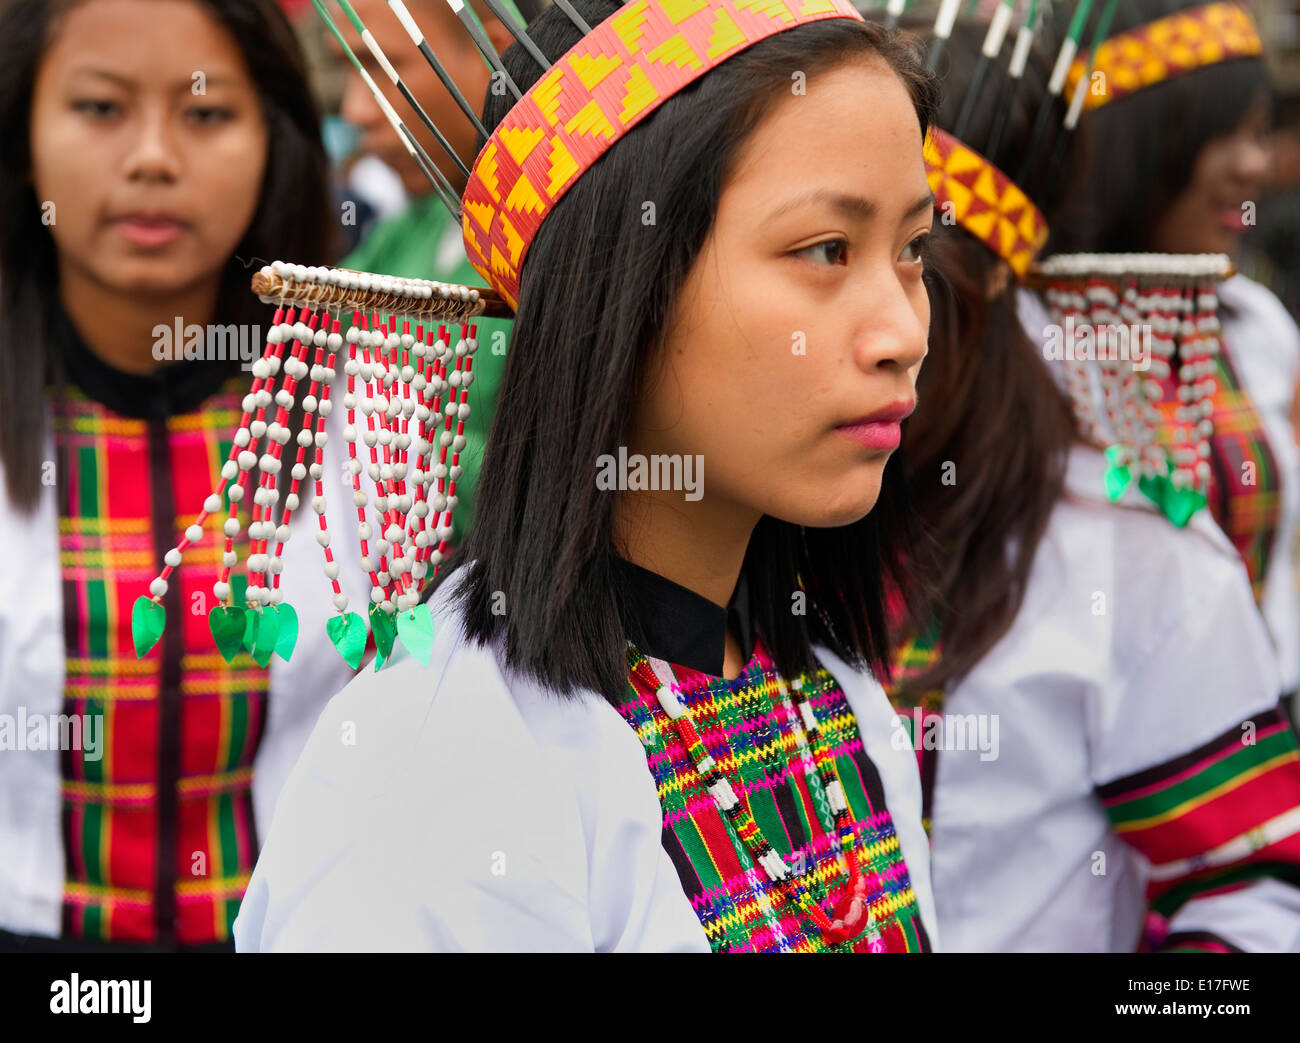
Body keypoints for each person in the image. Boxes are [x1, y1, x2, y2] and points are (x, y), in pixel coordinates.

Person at [235, 0, 940, 952]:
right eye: (825, 250)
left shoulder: (832, 690)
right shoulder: (443, 773)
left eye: (913, 251)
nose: (902, 330)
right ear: (622, 280)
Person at [887, 15, 1300, 952]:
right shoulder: (736, 534)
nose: (874, 328)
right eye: (822, 256)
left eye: (915, 261)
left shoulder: (1131, 558)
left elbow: (1257, 902)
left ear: (993, 288)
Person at [0, 0, 357, 950]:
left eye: (205, 114)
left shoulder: (379, 409)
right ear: (23, 129)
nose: (153, 157)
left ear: (276, 139)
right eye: (101, 108)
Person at [1050, 0, 1300, 698]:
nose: (1256, 164)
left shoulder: (1258, 326)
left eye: (1263, 132)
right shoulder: (1030, 333)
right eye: (1225, 135)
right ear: (1142, 139)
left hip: (1256, 726)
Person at [328, 0, 533, 544]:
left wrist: (382, 432)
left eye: (380, 66)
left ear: (500, 53)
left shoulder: (559, 246)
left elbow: (551, 493)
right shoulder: (406, 234)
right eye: (347, 69)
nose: (355, 110)